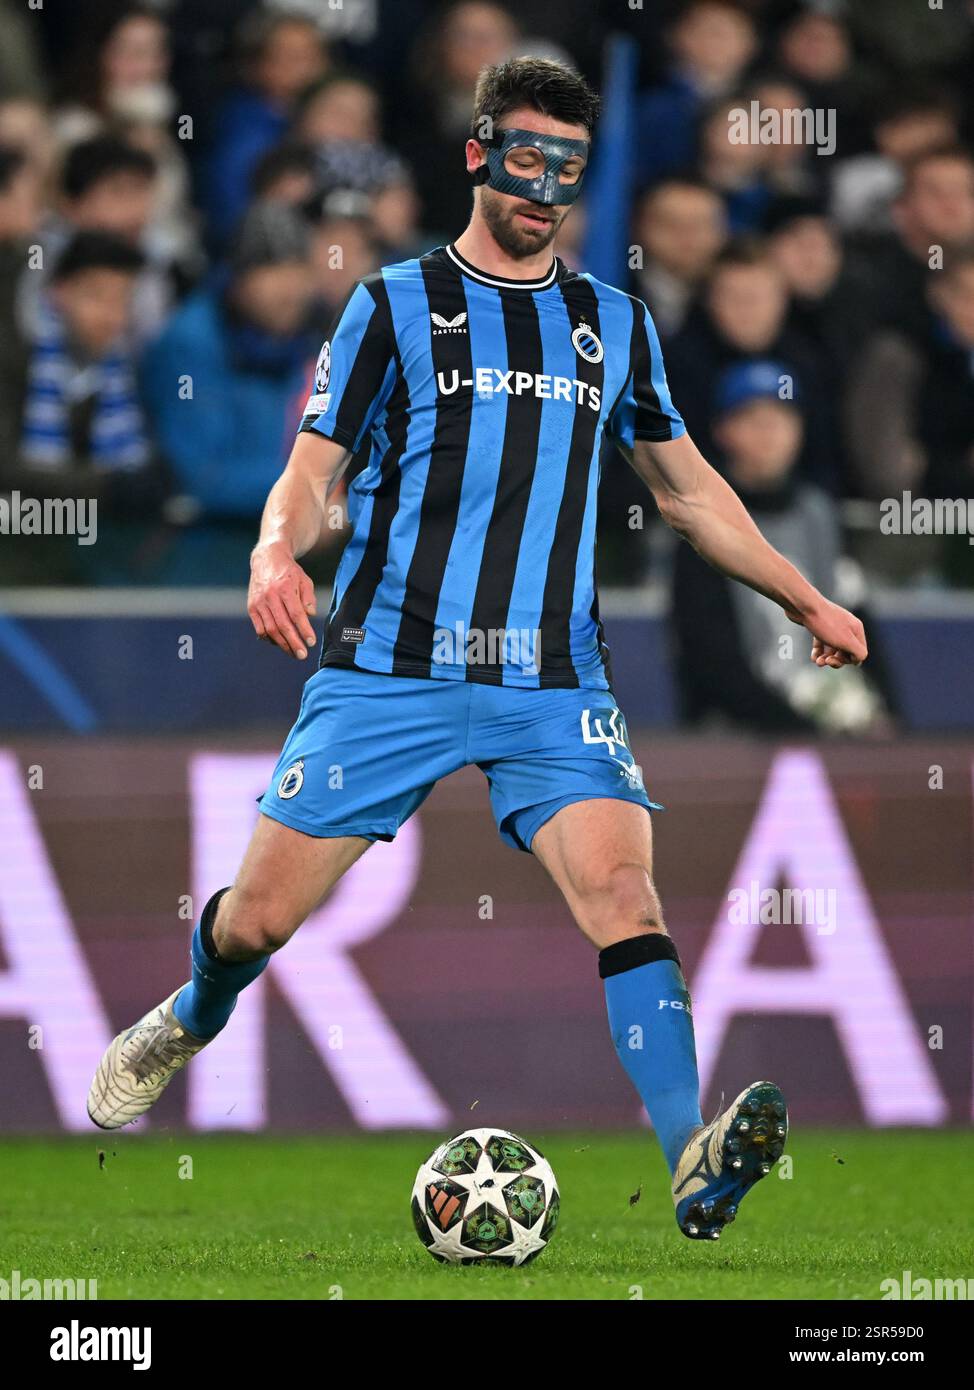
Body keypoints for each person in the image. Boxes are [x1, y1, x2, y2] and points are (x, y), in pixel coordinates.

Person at [87, 57, 867, 1244]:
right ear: (477, 154)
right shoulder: (390, 303)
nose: (544, 187)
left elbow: (688, 488)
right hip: (387, 666)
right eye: (524, 159)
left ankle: (690, 1162)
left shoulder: (615, 323)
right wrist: (270, 556)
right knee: (254, 922)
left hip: (551, 680)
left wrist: (801, 595)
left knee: (622, 891)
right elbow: (311, 471)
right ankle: (192, 1010)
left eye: (566, 167)